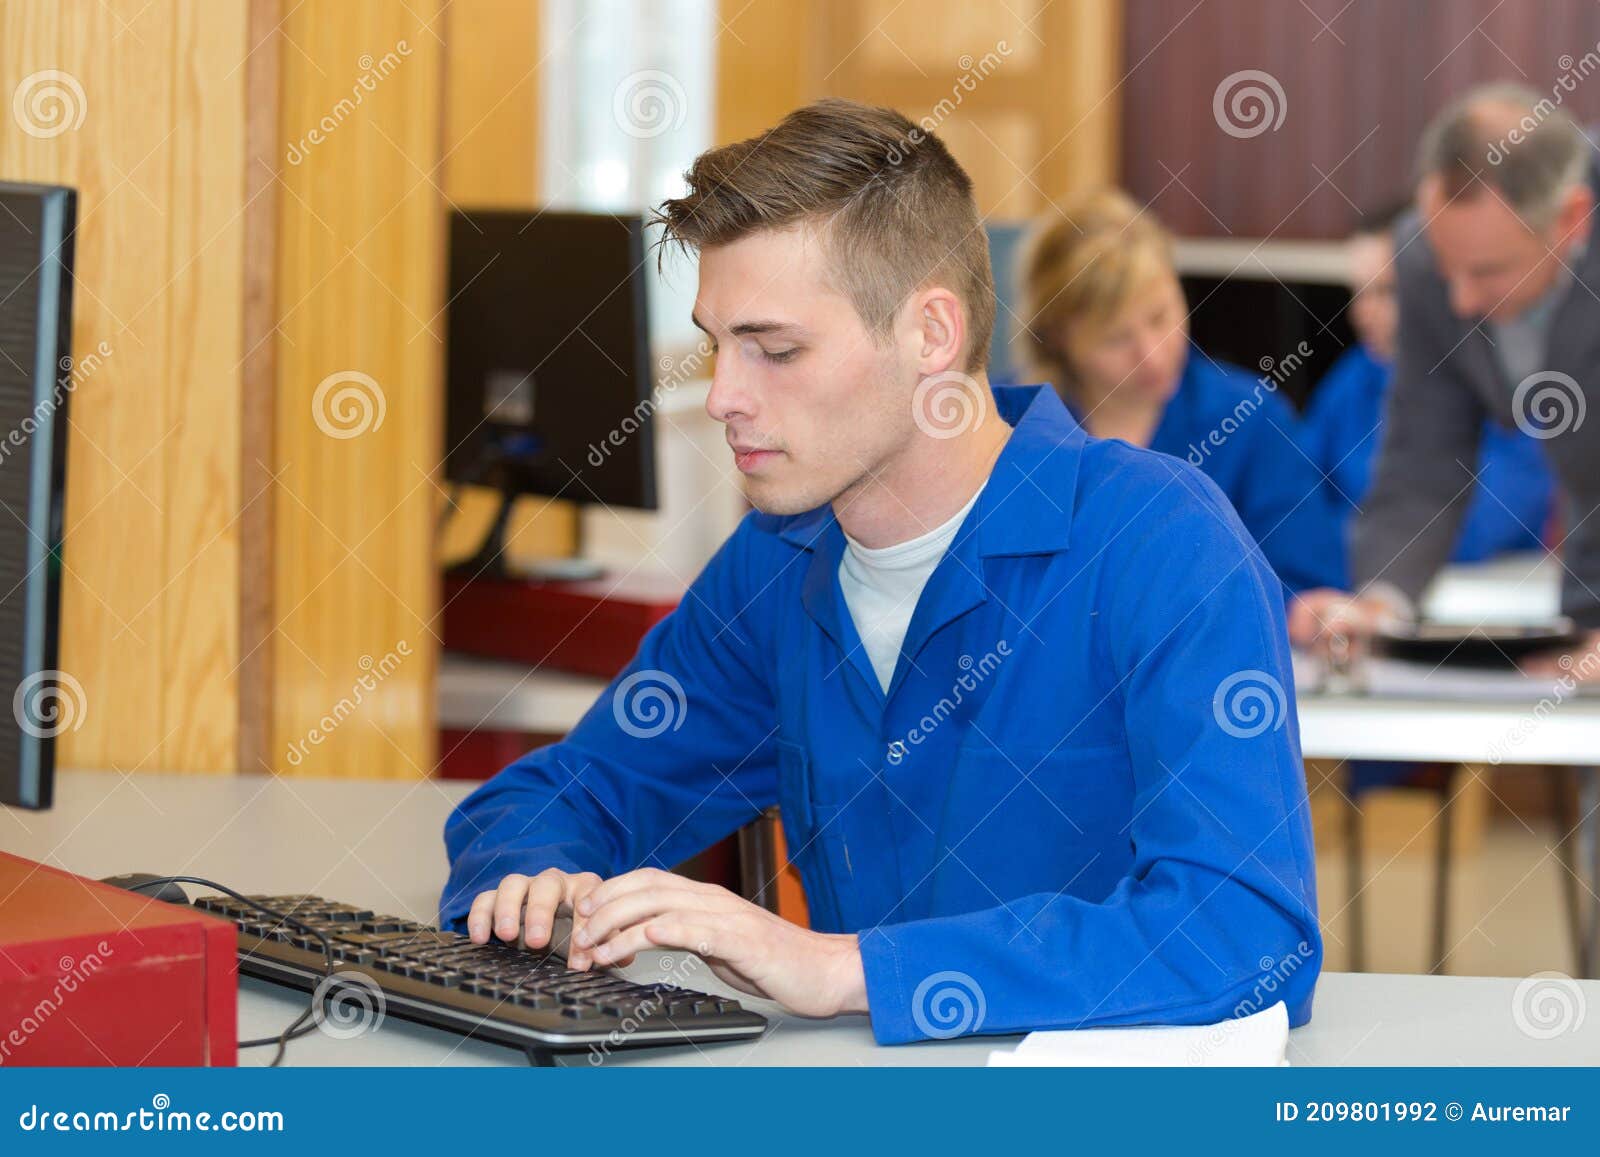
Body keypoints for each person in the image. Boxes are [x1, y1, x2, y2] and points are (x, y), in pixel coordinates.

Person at [439, 100, 1320, 1045]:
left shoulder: (1163, 544)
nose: (727, 398)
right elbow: (552, 797)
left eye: (775, 350)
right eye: (717, 345)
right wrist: (536, 882)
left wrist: (843, 967)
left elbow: (1245, 931)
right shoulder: (775, 564)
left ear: (932, 335)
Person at [1291, 85, 1599, 674]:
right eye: (1446, 268)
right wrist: (1382, 603)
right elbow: (1423, 456)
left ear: (1570, 220)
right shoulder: (1420, 254)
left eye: (1486, 271)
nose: (1459, 299)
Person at [1016, 189, 1344, 597]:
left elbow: (1306, 584)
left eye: (1160, 317)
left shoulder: (1251, 419)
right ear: (1058, 337)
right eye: (1116, 340)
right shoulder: (1011, 428)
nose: (1152, 356)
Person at [1300, 203, 1556, 580]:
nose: (1362, 312)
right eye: (1358, 292)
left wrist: (1355, 534)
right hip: (1368, 596)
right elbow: (1295, 507)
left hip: (1487, 606)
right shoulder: (1354, 377)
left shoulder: (1512, 380)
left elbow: (1474, 531)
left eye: (1386, 292)